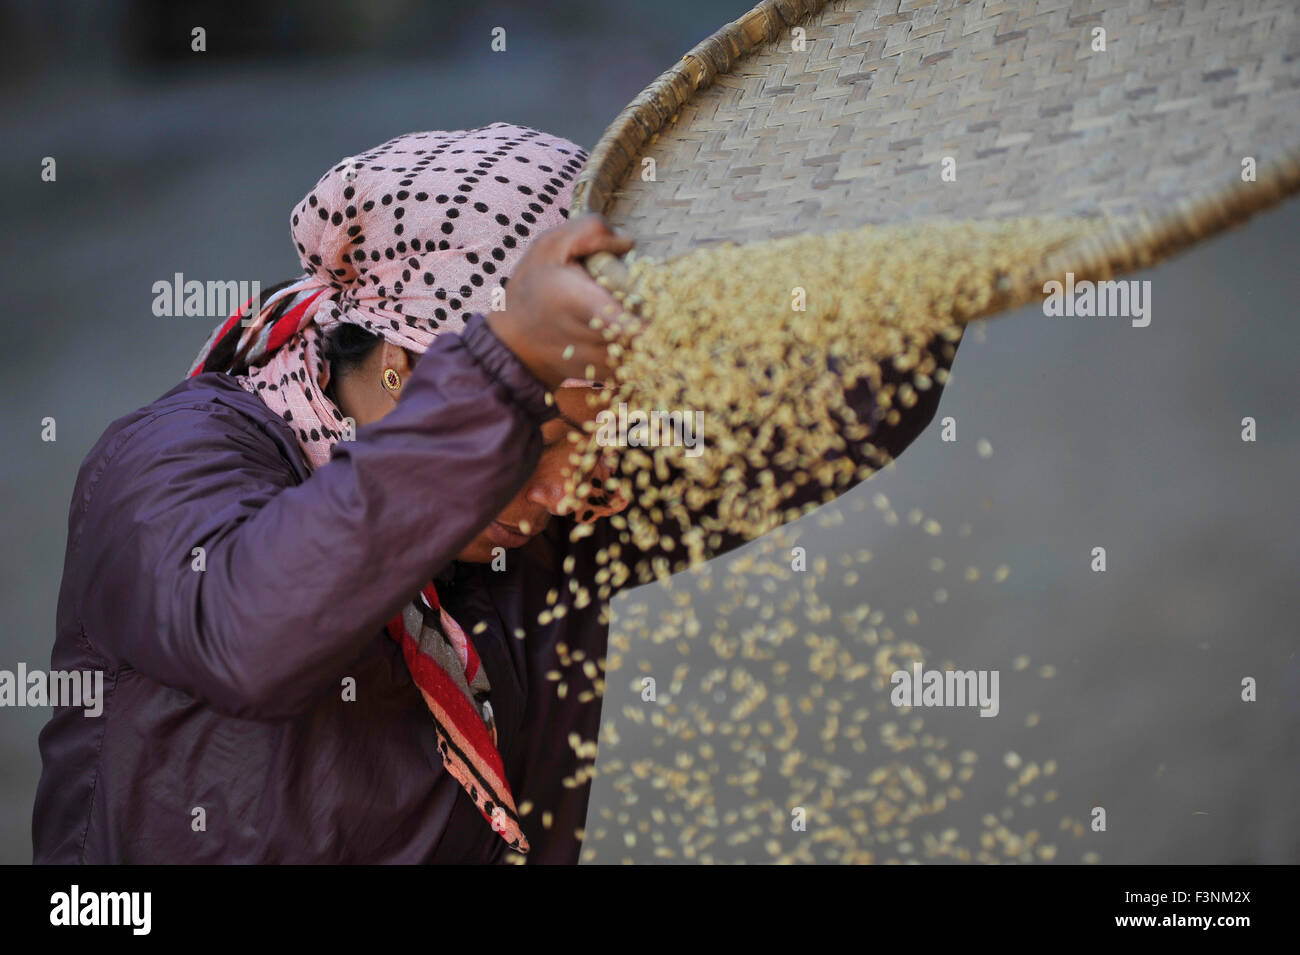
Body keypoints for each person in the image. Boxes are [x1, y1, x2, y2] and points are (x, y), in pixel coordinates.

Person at [32, 122, 957, 864]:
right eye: (538, 426)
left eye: (587, 430)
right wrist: (508, 374)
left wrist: (915, 271)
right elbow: (249, 634)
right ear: (404, 370)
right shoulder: (164, 463)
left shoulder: (551, 501)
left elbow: (837, 416)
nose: (564, 490)